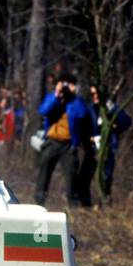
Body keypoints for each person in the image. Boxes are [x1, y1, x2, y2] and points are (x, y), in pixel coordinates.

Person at [34, 73, 95, 207]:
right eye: (63, 83)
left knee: (71, 177)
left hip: (69, 145)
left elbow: (82, 114)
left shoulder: (76, 102)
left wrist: (74, 96)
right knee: (44, 173)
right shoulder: (53, 98)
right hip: (52, 141)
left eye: (69, 84)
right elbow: (43, 110)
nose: (66, 87)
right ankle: (39, 202)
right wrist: (57, 95)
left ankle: (73, 205)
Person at [88, 83, 133, 202]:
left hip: (107, 146)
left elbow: (127, 121)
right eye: (92, 94)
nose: (95, 96)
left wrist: (114, 126)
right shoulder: (91, 109)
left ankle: (104, 199)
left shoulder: (111, 108)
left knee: (106, 175)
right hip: (92, 147)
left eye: (97, 94)